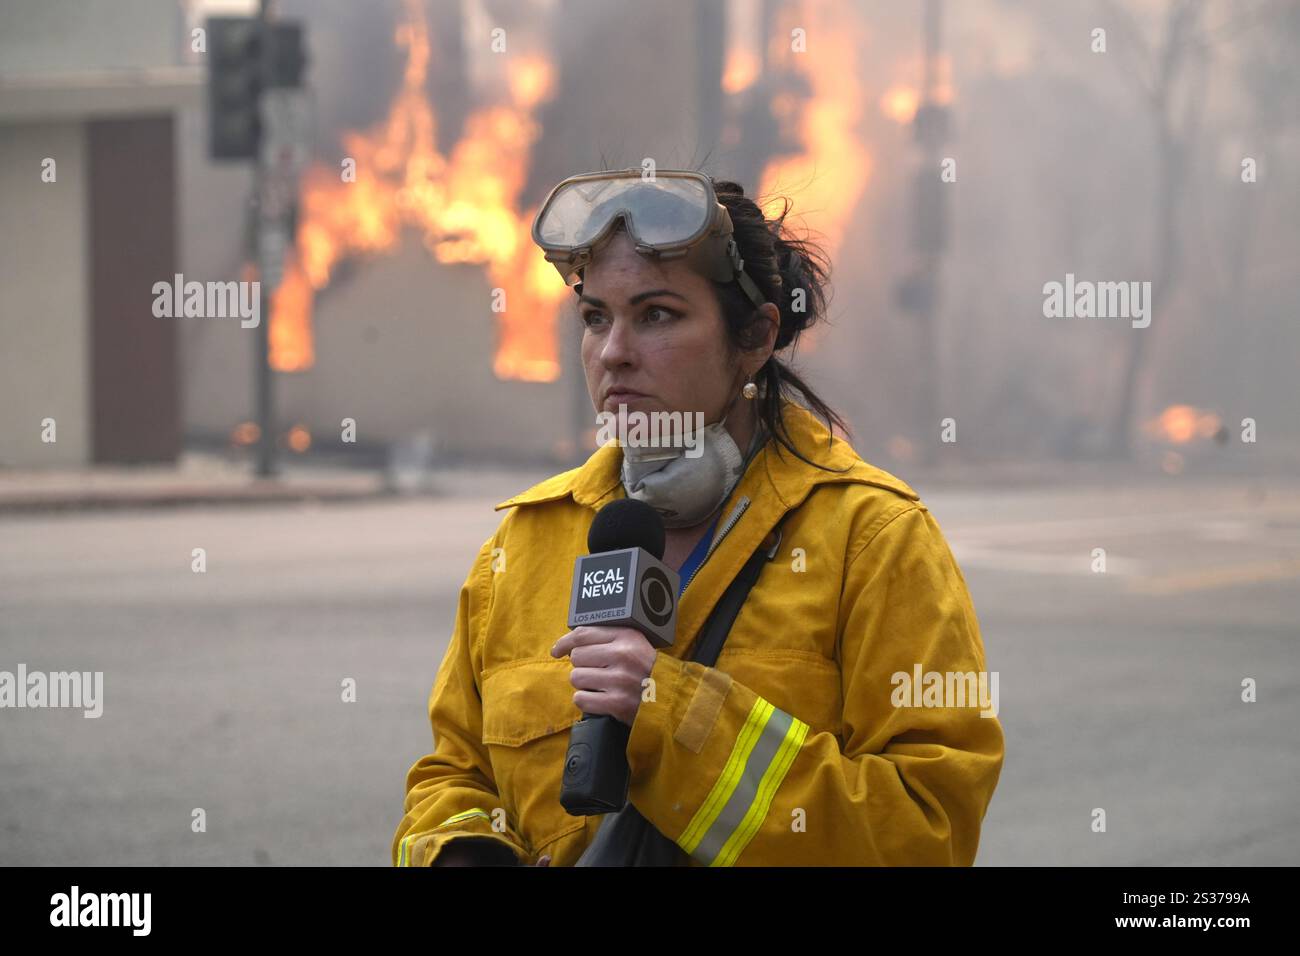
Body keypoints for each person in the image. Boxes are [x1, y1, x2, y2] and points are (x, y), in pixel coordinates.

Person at [392, 169, 1004, 867]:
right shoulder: (523, 544)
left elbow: (929, 832)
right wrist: (461, 850)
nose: (612, 351)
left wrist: (668, 711)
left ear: (754, 336)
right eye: (596, 316)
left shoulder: (873, 542)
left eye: (656, 315)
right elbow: (452, 775)